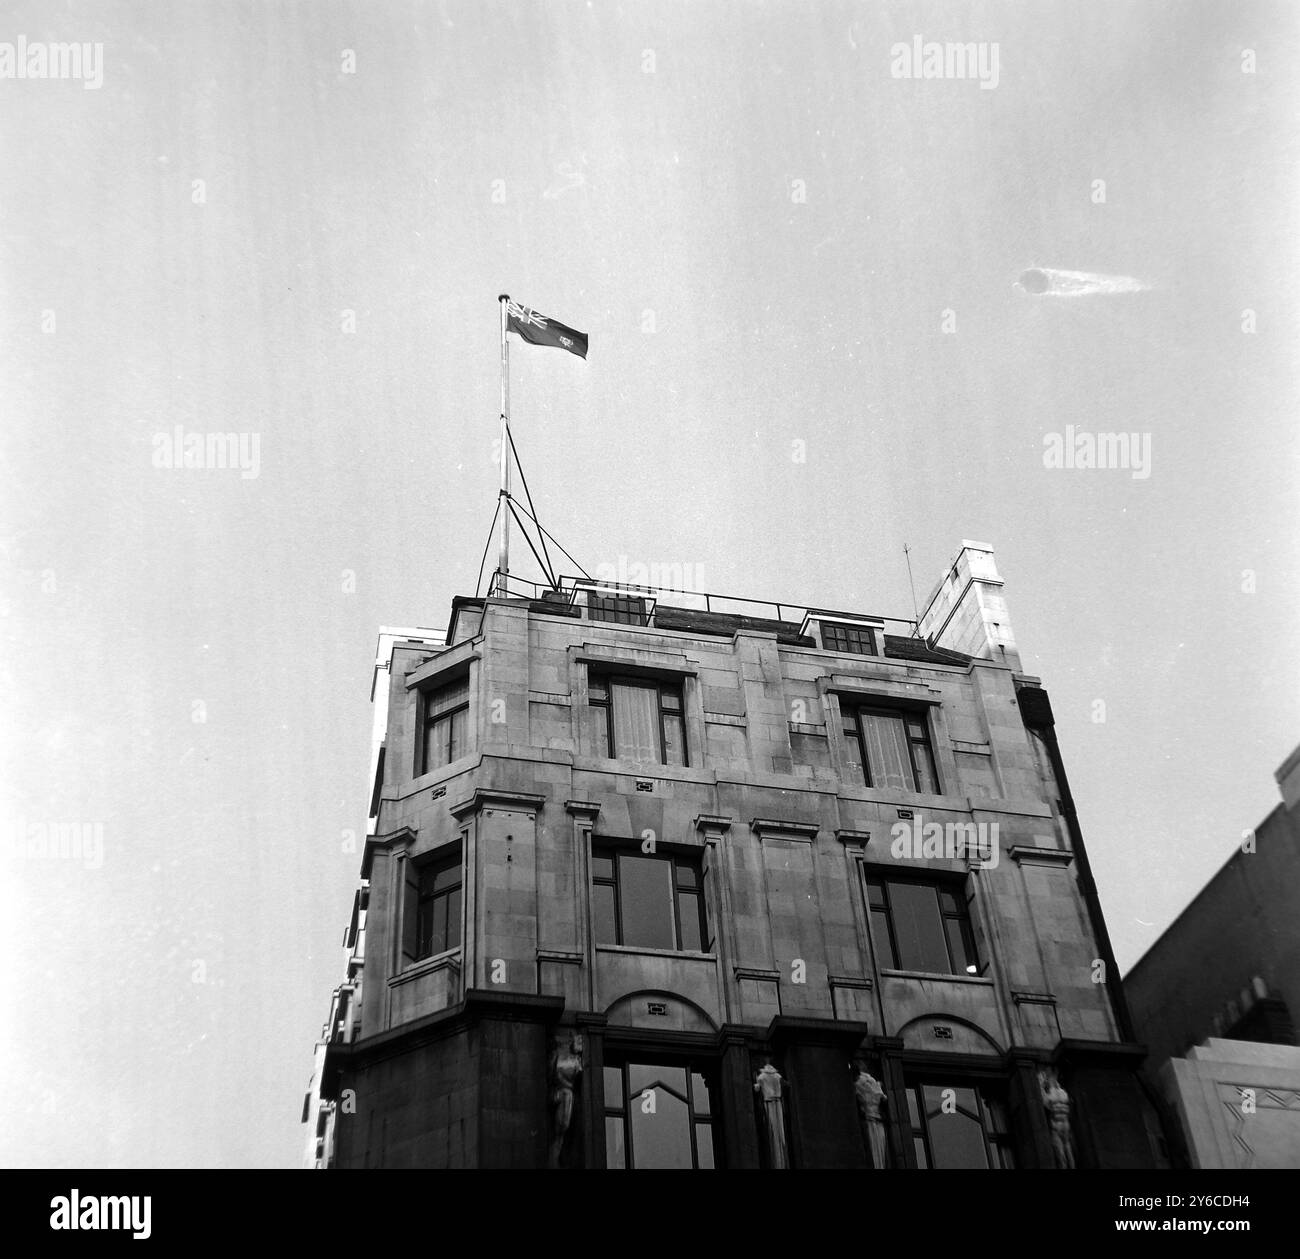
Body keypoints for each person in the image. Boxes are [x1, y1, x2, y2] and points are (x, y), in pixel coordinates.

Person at [549, 1032, 584, 1168]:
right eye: (578, 1042)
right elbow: (554, 1075)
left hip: (568, 1095)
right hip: (562, 1094)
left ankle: (558, 1158)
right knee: (561, 1129)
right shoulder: (560, 1056)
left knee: (564, 1128)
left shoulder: (576, 1060)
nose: (580, 1046)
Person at [753, 1059, 790, 1168]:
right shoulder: (777, 1076)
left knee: (773, 1127)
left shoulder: (761, 1077)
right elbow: (786, 1085)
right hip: (777, 1101)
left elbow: (756, 1089)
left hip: (769, 1101)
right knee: (779, 1129)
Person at [853, 1063, 889, 1169]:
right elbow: (882, 1098)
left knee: (876, 1151)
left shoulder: (864, 1081)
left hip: (873, 1120)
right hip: (872, 1120)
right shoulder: (868, 1082)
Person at [1039, 1068, 1074, 1169]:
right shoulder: (1064, 1093)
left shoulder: (1051, 1095)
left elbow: (1046, 1103)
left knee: (1060, 1154)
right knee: (1068, 1149)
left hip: (1056, 1126)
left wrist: (1041, 1086)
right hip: (1066, 1125)